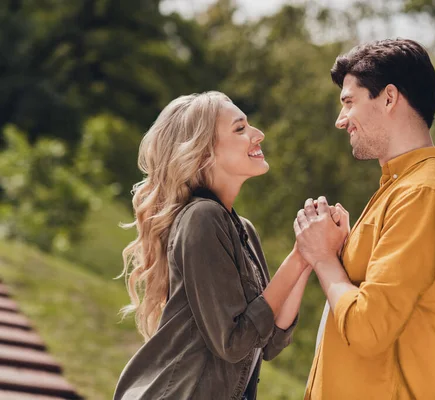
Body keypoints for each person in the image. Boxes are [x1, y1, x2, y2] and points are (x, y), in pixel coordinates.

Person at [114, 91, 327, 400]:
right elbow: (233, 343)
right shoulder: (202, 218)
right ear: (203, 154)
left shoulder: (242, 230)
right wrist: (296, 257)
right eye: (240, 129)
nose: (258, 135)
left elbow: (270, 341)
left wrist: (307, 254)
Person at [294, 39, 435, 399]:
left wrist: (324, 259)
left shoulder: (424, 194)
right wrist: (342, 251)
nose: (340, 120)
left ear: (389, 98)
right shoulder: (400, 188)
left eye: (349, 102)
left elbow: (368, 329)